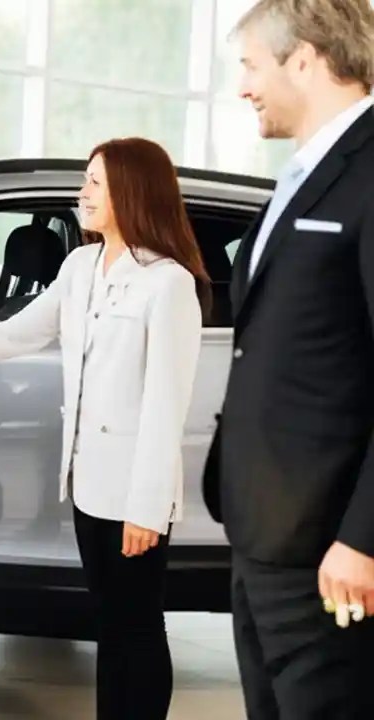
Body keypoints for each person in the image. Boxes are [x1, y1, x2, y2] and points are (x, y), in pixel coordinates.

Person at [0, 138, 207, 720]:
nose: (84, 193)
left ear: (132, 191)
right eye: (86, 180)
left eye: (96, 183)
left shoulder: (168, 283)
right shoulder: (79, 267)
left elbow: (165, 404)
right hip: (88, 483)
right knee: (110, 625)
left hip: (135, 493)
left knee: (137, 626)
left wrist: (148, 508)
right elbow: (5, 337)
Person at [201, 1, 374, 717]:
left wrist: (364, 542)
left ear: (304, 57)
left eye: (250, 65)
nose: (243, 86)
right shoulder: (306, 171)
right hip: (264, 533)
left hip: (330, 548)